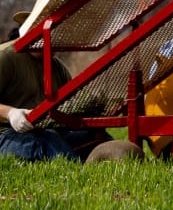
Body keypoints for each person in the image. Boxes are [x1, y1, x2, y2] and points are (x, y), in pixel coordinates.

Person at [0, 11, 102, 161]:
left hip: (47, 131)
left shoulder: (57, 67)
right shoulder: (6, 57)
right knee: (46, 142)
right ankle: (78, 173)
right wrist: (10, 113)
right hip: (6, 134)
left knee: (95, 135)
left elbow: (71, 103)